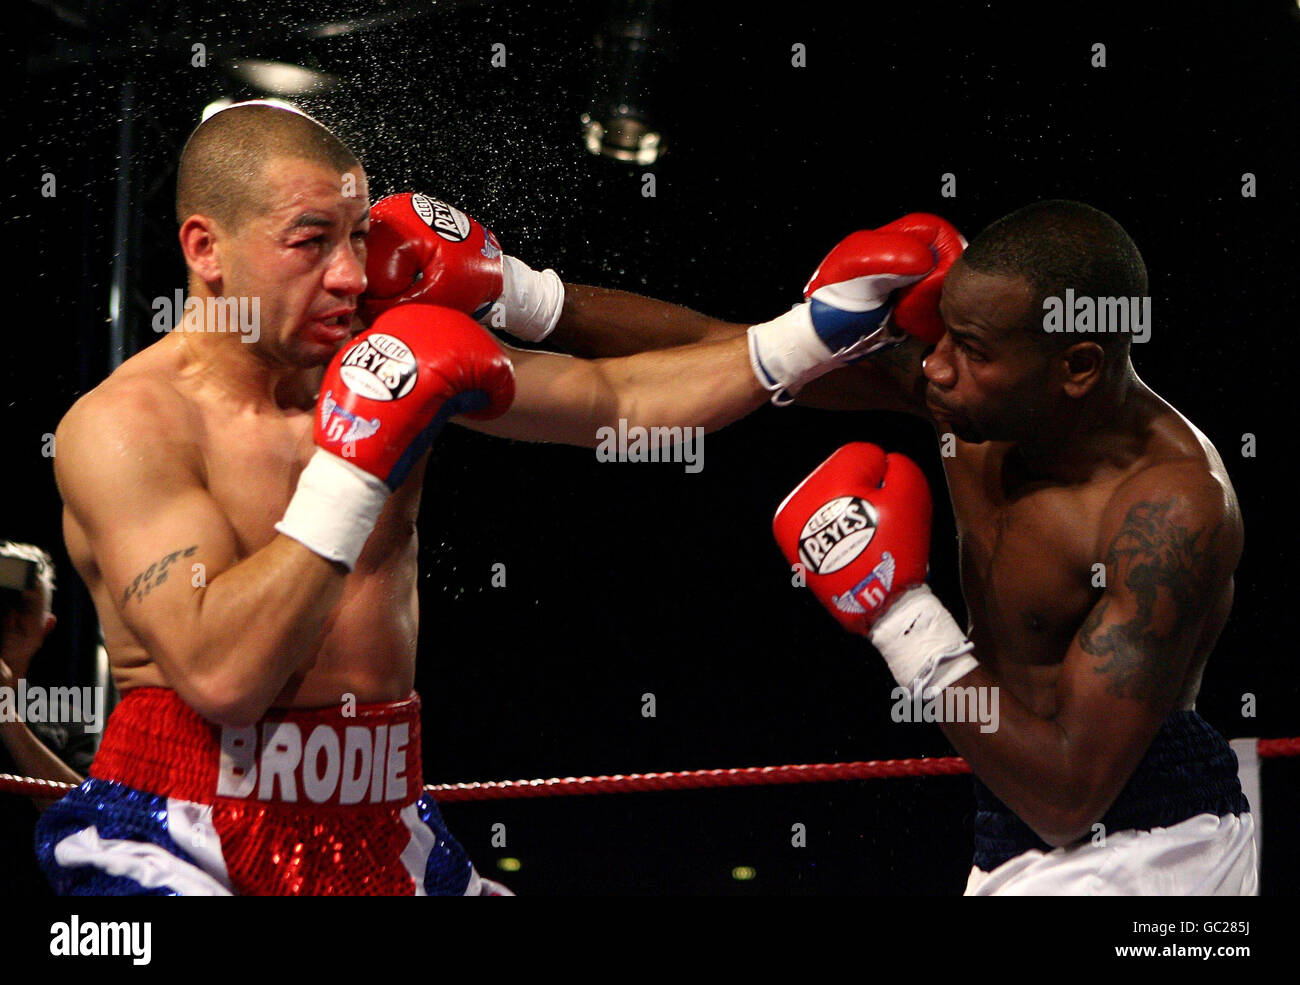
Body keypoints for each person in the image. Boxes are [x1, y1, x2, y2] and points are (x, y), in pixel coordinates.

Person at [35, 100, 953, 895]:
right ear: (206, 249)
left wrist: (818, 328)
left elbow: (620, 403)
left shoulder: (384, 352)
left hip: (387, 821)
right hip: (185, 828)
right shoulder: (127, 427)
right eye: (311, 242)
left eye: (357, 235)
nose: (353, 274)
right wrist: (358, 463)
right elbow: (226, 679)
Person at [765, 201, 1254, 894]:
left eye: (972, 348)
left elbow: (1065, 800)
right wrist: (554, 306)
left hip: (1150, 849)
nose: (933, 365)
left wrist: (898, 615)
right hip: (1013, 821)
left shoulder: (1169, 507)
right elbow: (731, 361)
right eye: (944, 336)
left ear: (1077, 365)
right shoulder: (979, 405)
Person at [0, 542, 90, 895]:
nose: (9, 619)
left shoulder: (71, 718)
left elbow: (86, 818)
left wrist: (8, 718)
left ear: (47, 626)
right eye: (1, 604)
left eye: (22, 607)